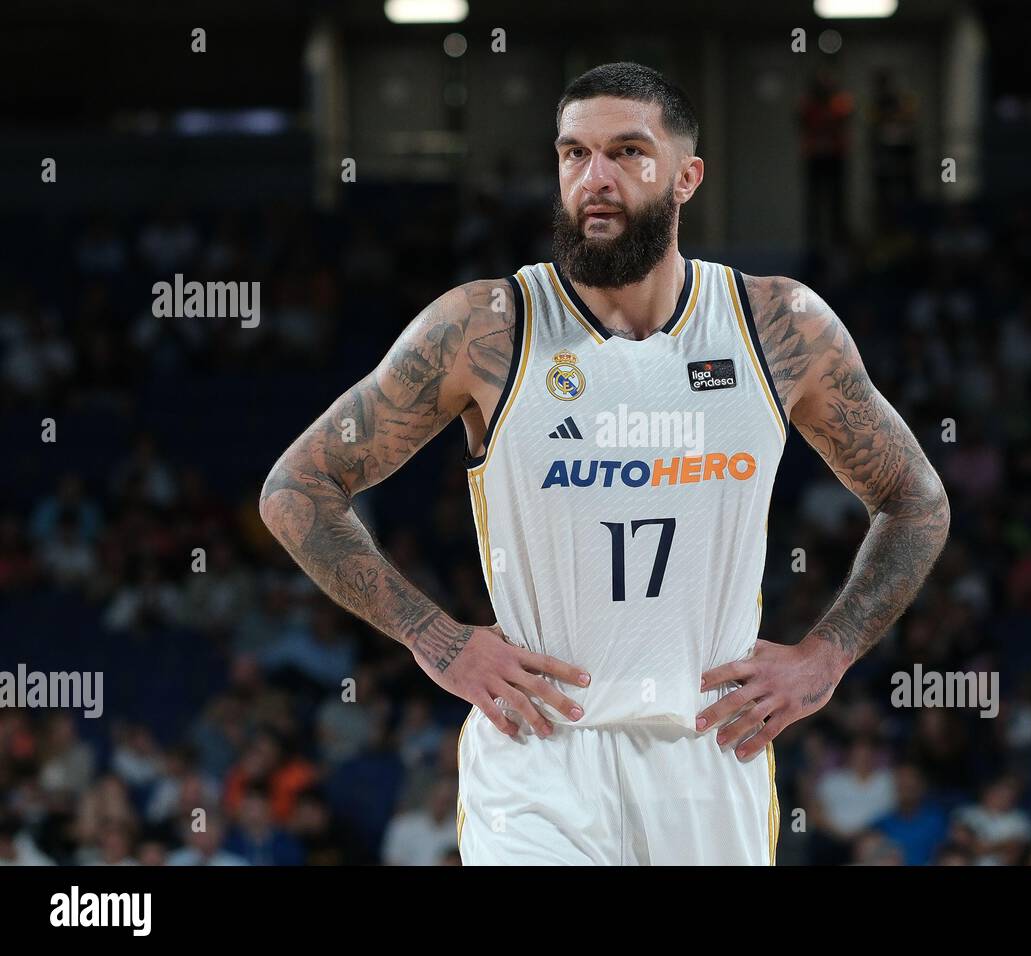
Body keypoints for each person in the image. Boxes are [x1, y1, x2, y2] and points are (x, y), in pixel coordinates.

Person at [260, 61, 949, 865]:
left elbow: (916, 500)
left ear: (687, 176)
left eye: (627, 153)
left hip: (707, 752)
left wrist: (826, 656)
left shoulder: (778, 326)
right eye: (574, 154)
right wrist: (433, 638)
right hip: (539, 754)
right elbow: (297, 488)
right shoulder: (486, 329)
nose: (595, 177)